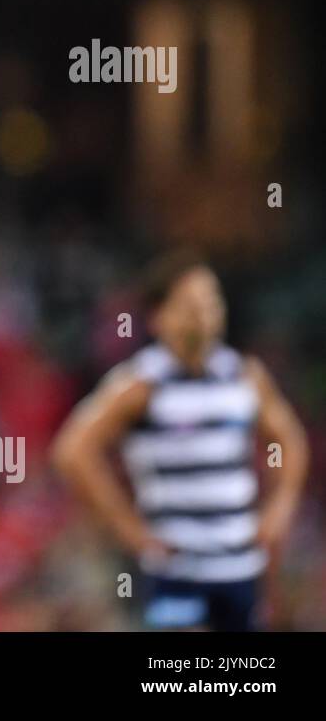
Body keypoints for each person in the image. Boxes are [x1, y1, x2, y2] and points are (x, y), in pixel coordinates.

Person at [52, 251, 308, 630]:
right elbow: (73, 451)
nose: (203, 314)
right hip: (177, 567)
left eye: (210, 301)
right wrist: (129, 530)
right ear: (159, 316)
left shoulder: (243, 377)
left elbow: (288, 438)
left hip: (240, 564)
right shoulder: (142, 384)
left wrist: (281, 507)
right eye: (189, 304)